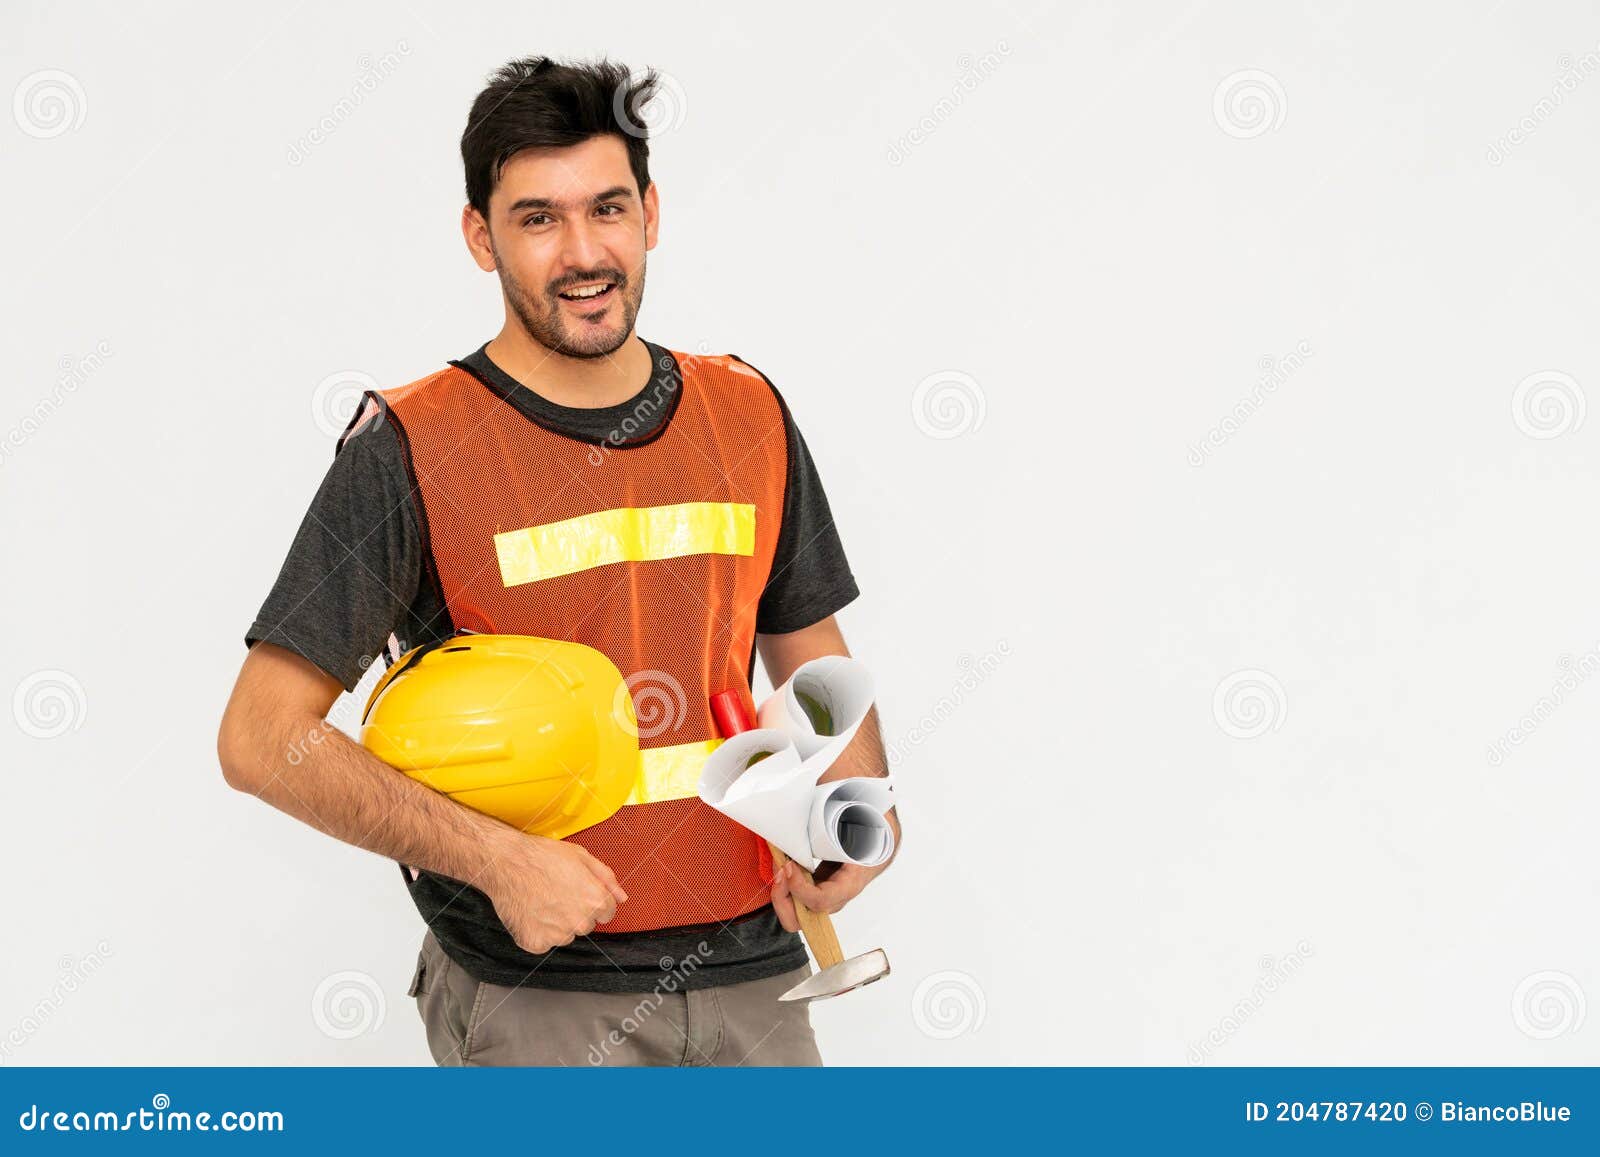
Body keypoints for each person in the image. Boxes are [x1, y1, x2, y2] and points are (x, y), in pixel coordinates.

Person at [215, 55, 899, 1067]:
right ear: (479, 236)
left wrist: (859, 810)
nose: (584, 252)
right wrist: (495, 859)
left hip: (757, 970)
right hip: (540, 1000)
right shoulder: (409, 444)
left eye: (607, 209)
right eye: (538, 219)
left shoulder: (746, 409)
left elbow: (811, 651)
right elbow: (261, 737)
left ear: (652, 214)